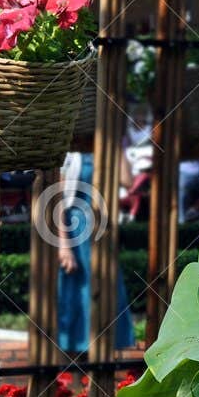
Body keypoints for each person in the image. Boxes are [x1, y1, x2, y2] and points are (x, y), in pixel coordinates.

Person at [57, 151, 134, 359]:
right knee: (76, 295)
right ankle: (73, 368)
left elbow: (127, 181)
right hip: (75, 232)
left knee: (107, 290)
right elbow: (58, 200)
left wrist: (118, 144)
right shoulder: (70, 154)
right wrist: (64, 245)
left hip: (103, 232)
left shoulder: (106, 151)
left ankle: (102, 357)